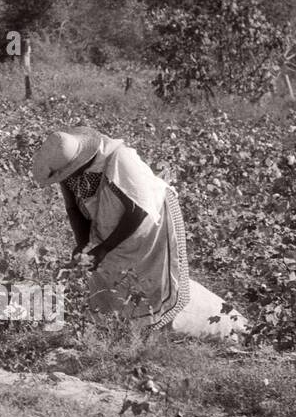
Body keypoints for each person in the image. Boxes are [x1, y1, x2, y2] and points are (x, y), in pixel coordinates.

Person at [31, 127, 245, 337]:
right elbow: (73, 208)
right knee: (111, 275)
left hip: (150, 221)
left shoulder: (118, 159)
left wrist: (104, 248)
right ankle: (119, 328)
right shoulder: (68, 171)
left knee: (150, 279)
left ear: (80, 160)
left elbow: (138, 209)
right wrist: (83, 244)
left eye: (68, 173)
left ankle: (225, 327)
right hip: (108, 218)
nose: (66, 178)